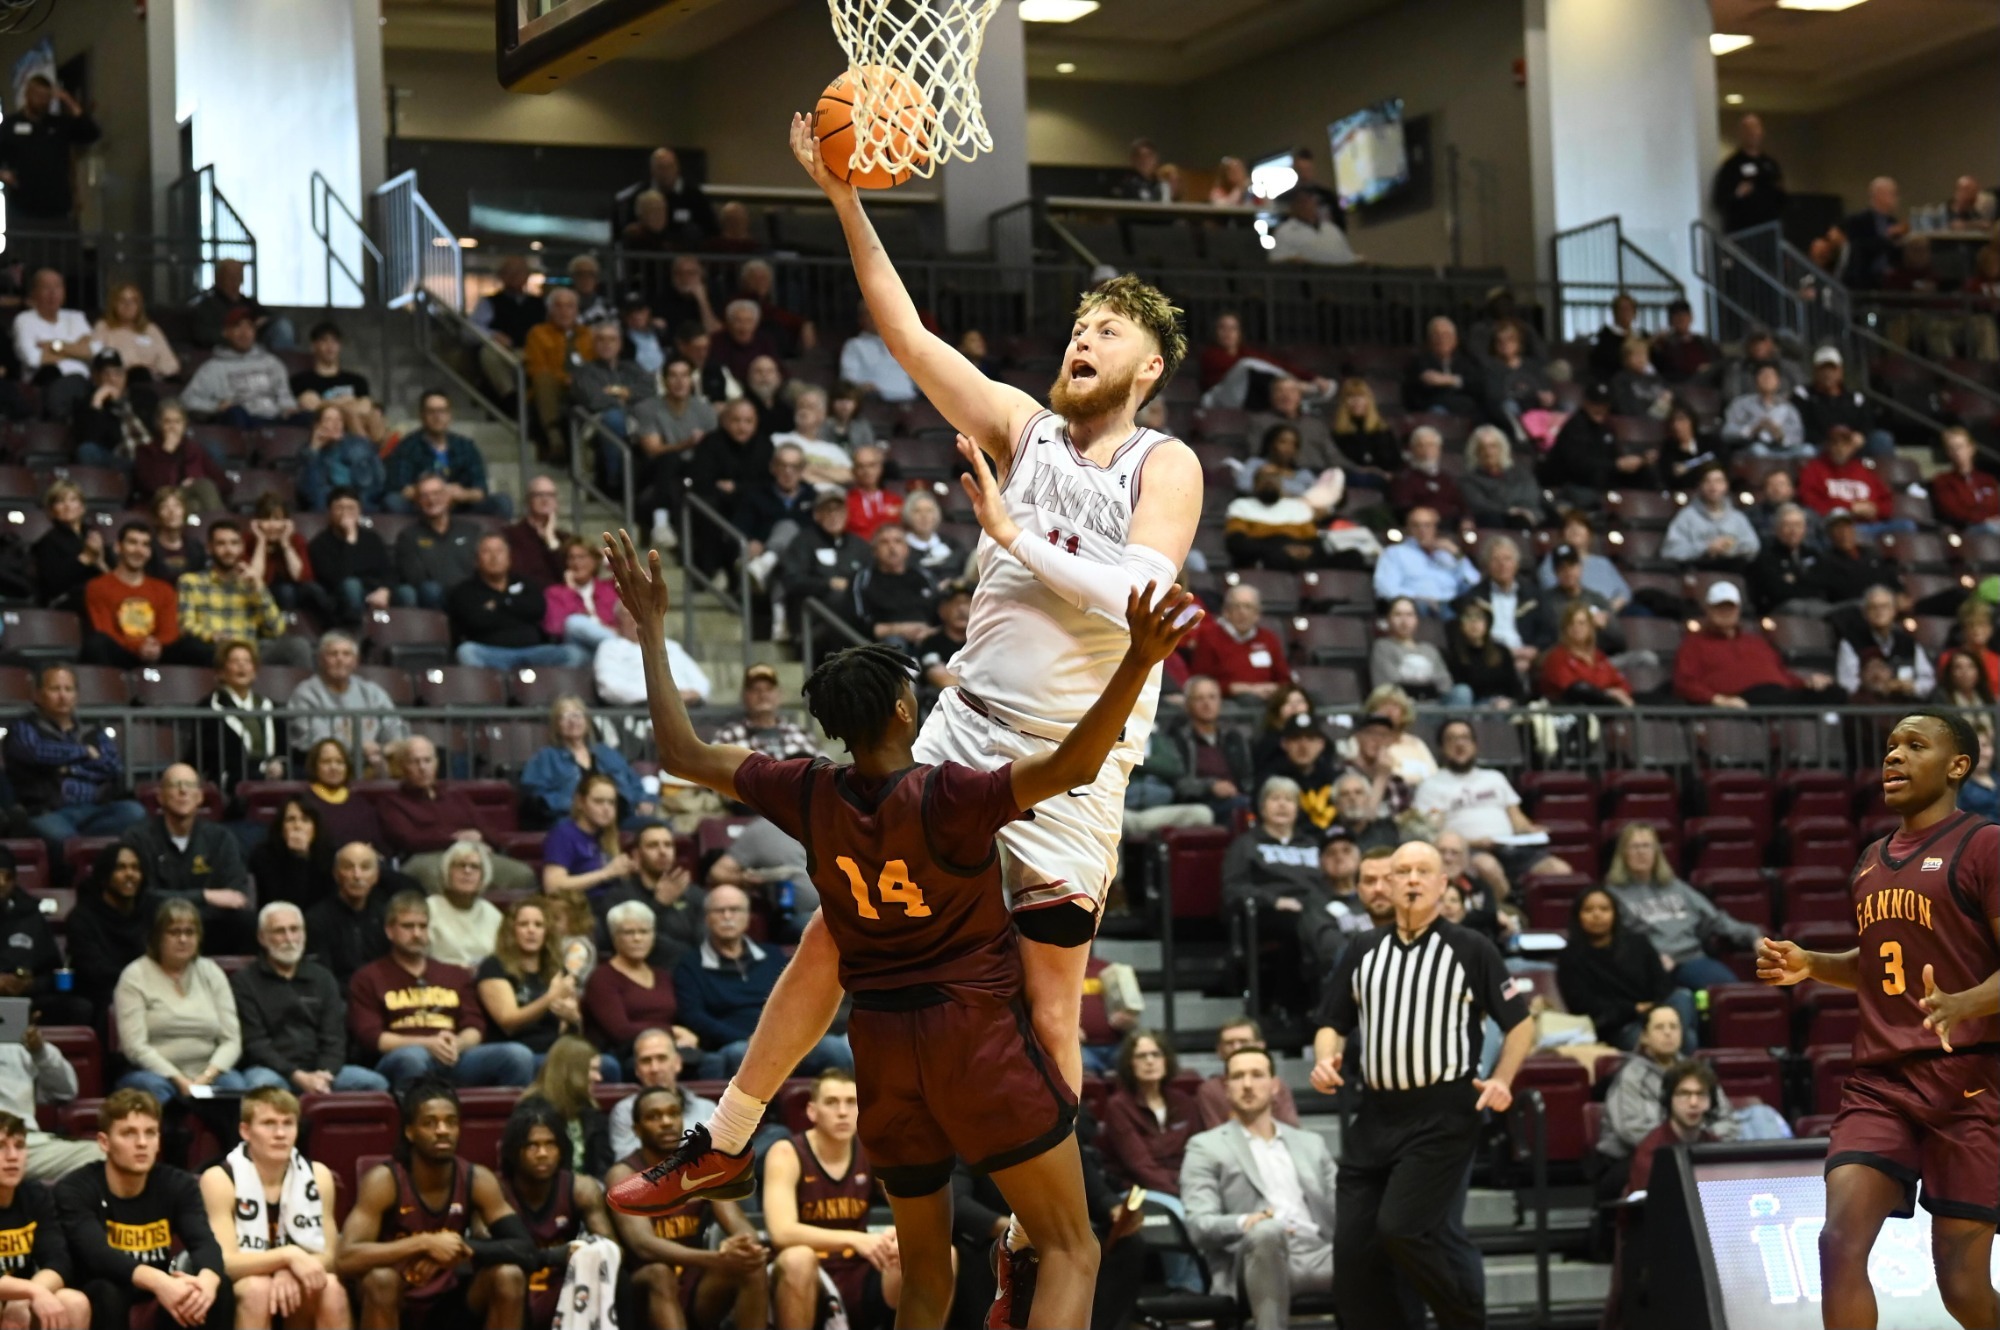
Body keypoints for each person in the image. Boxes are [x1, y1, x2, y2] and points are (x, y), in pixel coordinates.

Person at [595, 535, 1199, 1330]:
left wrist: (651, 627)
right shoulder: (951, 796)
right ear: (908, 711)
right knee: (1072, 1247)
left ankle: (726, 1139)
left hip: (880, 1051)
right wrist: (1137, 660)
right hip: (973, 1040)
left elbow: (679, 750)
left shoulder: (806, 791)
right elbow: (1075, 766)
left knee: (923, 1278)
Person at [1756, 708, 1998, 1330]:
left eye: (1914, 746)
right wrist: (1811, 963)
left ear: (1957, 766)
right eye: (1890, 746)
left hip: (1970, 1085)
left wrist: (1964, 1003)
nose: (1893, 756)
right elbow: (1881, 961)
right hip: (1880, 1085)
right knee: (1838, 1243)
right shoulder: (1869, 860)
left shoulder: (1986, 845)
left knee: (1964, 1290)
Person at [1308, 841, 1530, 1330]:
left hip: (1443, 1114)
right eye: (1402, 871)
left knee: (1402, 1229)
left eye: (1422, 872)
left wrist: (1502, 1080)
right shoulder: (1363, 949)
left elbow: (1520, 1023)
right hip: (1375, 1114)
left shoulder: (1472, 947)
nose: (1410, 880)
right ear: (1386, 883)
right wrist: (1326, 1060)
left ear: (1441, 884)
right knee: (1354, 1250)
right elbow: (1332, 1020)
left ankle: (1463, 1320)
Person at [338, 1081, 534, 1330]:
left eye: (451, 1122)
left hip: (452, 1303)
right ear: (410, 1131)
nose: (443, 1130)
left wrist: (460, 1248)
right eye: (430, 1123)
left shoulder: (477, 1179)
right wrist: (424, 1244)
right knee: (381, 1280)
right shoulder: (385, 1180)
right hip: (397, 1301)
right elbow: (346, 1258)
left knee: (509, 1275)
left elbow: (526, 1249)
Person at [1180, 1046, 1337, 1330]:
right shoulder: (1205, 1146)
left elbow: (1343, 1209)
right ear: (1227, 1088)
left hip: (1322, 1254)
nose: (1248, 1084)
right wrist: (1246, 1222)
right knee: (1268, 1231)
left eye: (1257, 1075)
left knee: (1382, 1232)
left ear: (1275, 1086)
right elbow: (1198, 1225)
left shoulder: (1310, 1143)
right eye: (1238, 1077)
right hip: (1254, 1257)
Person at [56, 1091, 231, 1330]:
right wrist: (159, 1282)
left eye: (150, 1133)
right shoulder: (76, 1188)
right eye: (129, 1133)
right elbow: (97, 1254)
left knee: (214, 1288)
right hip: (103, 1286)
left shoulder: (178, 1183)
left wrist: (208, 1282)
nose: (142, 1143)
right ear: (104, 1142)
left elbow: (204, 1243)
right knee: (106, 1291)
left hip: (158, 1290)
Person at [605, 1087, 769, 1330]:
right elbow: (644, 1246)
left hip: (696, 1279)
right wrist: (717, 1259)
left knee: (751, 1266)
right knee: (660, 1273)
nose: (666, 1122)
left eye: (673, 1113)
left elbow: (739, 1224)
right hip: (642, 1286)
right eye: (654, 1116)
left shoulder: (701, 1166)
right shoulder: (624, 1173)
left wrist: (744, 1247)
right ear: (637, 1130)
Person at [348, 892, 536, 1089]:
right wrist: (427, 1043)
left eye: (422, 926)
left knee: (518, 1055)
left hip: (454, 1056)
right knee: (413, 1057)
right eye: (408, 926)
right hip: (400, 1057)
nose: (417, 934)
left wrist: (458, 1043)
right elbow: (372, 1038)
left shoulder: (455, 974)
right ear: (389, 931)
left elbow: (475, 1026)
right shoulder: (368, 977)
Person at [198, 1088, 348, 1329]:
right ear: (245, 1131)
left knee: (330, 1288)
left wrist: (289, 1269)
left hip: (296, 1280)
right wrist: (288, 1257)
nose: (280, 1134)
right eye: (269, 1124)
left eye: (288, 1124)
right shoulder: (219, 1179)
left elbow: (330, 1258)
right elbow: (224, 1263)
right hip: (240, 1286)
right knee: (259, 1289)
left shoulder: (319, 1176)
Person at [764, 1069, 902, 1330]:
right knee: (798, 1258)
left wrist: (900, 1234)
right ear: (812, 1111)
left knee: (938, 1255)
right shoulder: (786, 1152)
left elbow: (907, 1207)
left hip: (859, 1269)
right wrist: (854, 1238)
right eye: (831, 1102)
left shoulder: (873, 1150)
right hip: (804, 1274)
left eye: (851, 1103)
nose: (842, 1112)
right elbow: (781, 1233)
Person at [235, 899, 388, 1093]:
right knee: (263, 1087)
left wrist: (323, 1074)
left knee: (375, 1084)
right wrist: (297, 1075)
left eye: (295, 929)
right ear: (262, 938)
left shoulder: (322, 977)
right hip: (271, 1070)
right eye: (279, 931)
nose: (289, 938)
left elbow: (334, 1038)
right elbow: (255, 1044)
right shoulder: (245, 981)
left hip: (321, 1070)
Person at [112, 897, 251, 1105]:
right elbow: (135, 1047)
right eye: (174, 932)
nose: (183, 939)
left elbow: (231, 1040)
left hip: (208, 1073)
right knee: (155, 1089)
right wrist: (178, 1079)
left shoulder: (211, 972)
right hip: (154, 1074)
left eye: (190, 932)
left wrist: (207, 1076)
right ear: (157, 937)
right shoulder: (135, 976)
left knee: (238, 1087)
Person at [496, 1099, 617, 1328]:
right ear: (513, 1150)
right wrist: (554, 1255)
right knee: (504, 1276)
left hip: (564, 1285)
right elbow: (484, 1250)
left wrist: (587, 1252)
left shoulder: (581, 1188)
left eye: (550, 1144)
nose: (543, 1153)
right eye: (532, 1146)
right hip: (514, 1287)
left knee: (618, 1277)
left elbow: (610, 1248)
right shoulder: (494, 1189)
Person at [1605, 822, 1760, 994]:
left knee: (1732, 994)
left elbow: (1715, 920)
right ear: (1623, 853)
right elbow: (1614, 942)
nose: (1641, 852)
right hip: (1649, 968)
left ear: (1656, 852)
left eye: (1647, 846)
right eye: (1634, 847)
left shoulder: (1676, 887)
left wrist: (1753, 936)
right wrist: (1646, 959)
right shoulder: (1613, 895)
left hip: (1691, 959)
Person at [1414, 718, 1571, 885]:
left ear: (1475, 745)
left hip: (1511, 849)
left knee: (1560, 869)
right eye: (1452, 739)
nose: (1460, 744)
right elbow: (1433, 833)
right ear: (1441, 747)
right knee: (1487, 867)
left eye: (1465, 738)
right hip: (1469, 852)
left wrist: (1530, 830)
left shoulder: (1495, 778)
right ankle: (1509, 908)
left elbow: (1517, 819)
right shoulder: (1431, 785)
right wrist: (1475, 842)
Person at [380, 735, 538, 895]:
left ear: (436, 763)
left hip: (471, 852)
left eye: (427, 761)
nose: (422, 767)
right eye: (415, 762)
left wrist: (488, 842)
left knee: (522, 874)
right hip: (426, 857)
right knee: (434, 875)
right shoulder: (392, 802)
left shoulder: (454, 795)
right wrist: (454, 839)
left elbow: (484, 827)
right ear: (402, 766)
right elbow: (409, 839)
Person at [118, 763, 252, 934]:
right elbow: (142, 899)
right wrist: (205, 896)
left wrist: (177, 903)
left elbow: (236, 897)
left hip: (209, 928)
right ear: (160, 797)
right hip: (155, 930)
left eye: (189, 785)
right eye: (175, 785)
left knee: (248, 923)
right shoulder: (137, 838)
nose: (183, 791)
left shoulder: (221, 838)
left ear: (200, 797)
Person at [1557, 888, 1695, 1053]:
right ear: (1578, 916)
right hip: (1617, 1025)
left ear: (1615, 913)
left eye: (1604, 909)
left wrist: (1654, 1009)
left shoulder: (1638, 943)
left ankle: (1669, 1044)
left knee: (1683, 997)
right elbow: (1583, 1004)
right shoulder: (1570, 956)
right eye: (1588, 910)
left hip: (1655, 1014)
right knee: (1686, 1039)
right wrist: (1633, 1009)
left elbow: (1661, 981)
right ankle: (1673, 1056)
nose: (1597, 915)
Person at [1672, 581, 1846, 707]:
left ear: (1738, 610)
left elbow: (1782, 674)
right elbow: (1684, 683)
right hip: (1744, 699)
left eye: (1730, 607)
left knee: (1835, 692)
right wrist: (1717, 699)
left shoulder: (1757, 642)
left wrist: (1807, 682)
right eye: (1719, 607)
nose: (1725, 612)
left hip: (1780, 694)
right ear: (1708, 610)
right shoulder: (1694, 644)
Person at [176, 520, 313, 668]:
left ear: (241, 548)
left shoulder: (250, 583)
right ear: (209, 548)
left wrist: (258, 588)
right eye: (221, 544)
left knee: (298, 646)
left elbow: (276, 629)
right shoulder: (190, 582)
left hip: (251, 652)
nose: (228, 550)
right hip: (213, 649)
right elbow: (185, 625)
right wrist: (211, 635)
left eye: (234, 544)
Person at [0, 1108, 93, 1324]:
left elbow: (58, 1262)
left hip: (19, 1294)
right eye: (1, 1146)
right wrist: (28, 1291)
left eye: (19, 1146)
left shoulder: (35, 1196)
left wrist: (25, 1296)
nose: (13, 1156)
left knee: (74, 1302)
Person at [584, 900, 695, 1074]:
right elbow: (620, 1030)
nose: (637, 938)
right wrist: (671, 1031)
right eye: (629, 932)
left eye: (644, 932)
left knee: (711, 1061)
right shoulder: (602, 978)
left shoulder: (662, 976)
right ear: (614, 937)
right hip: (625, 1052)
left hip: (668, 1048)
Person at [447, 533, 587, 671]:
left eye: (499, 551)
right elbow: (476, 621)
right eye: (487, 552)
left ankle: (556, 693)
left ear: (509, 558)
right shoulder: (464, 591)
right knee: (466, 652)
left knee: (575, 654)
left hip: (534, 652)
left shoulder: (525, 583)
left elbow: (538, 609)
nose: (494, 557)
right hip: (491, 653)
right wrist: (516, 607)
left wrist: (499, 604)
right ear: (476, 560)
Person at [83, 521, 212, 667]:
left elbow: (170, 633)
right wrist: (139, 646)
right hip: (121, 654)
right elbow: (104, 630)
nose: (139, 550)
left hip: (158, 653)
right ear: (118, 547)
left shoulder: (164, 589)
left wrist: (155, 645)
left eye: (145, 545)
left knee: (195, 647)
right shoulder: (98, 586)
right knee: (97, 644)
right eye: (133, 543)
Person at [476, 896, 584, 1063]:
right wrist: (550, 997)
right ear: (511, 931)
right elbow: (508, 1023)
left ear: (547, 932)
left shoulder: (557, 970)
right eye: (523, 924)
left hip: (552, 1052)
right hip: (513, 1051)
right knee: (521, 1057)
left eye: (538, 925)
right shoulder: (494, 966)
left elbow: (565, 1032)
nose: (531, 930)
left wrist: (573, 1019)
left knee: (607, 1065)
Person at [521, 693, 654, 828]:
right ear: (556, 724)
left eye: (577, 715)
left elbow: (634, 783)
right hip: (572, 819)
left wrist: (644, 800)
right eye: (565, 717)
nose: (573, 721)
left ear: (586, 721)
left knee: (656, 827)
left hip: (617, 818)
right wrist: (579, 805)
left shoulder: (607, 753)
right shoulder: (546, 757)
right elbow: (536, 797)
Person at [288, 631, 409, 776]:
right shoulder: (306, 694)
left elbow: (395, 730)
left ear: (355, 661)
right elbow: (317, 743)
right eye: (333, 654)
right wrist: (359, 750)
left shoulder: (371, 692)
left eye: (346, 654)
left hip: (373, 764)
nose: (340, 659)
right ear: (320, 660)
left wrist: (381, 750)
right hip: (327, 769)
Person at [1099, 1029, 1201, 1201]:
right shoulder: (1118, 1106)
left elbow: (1199, 1152)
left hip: (1189, 1186)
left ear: (1166, 1060)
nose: (1150, 1061)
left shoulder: (1183, 1102)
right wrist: (1182, 1194)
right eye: (1141, 1056)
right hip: (1142, 1191)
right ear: (1130, 1064)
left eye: (1156, 1054)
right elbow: (1141, 1167)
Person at [593, 826, 708, 971]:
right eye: (653, 845)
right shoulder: (619, 896)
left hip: (690, 974)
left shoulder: (694, 894)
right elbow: (615, 943)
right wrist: (659, 904)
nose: (662, 851)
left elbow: (704, 945)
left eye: (668, 845)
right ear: (637, 855)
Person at [63, 846, 159, 1018]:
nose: (130, 874)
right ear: (104, 876)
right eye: (121, 868)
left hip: (151, 988)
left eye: (136, 868)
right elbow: (93, 972)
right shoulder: (82, 918)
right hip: (103, 995)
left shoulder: (152, 911)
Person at [181, 309, 301, 428]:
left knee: (307, 417)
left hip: (274, 420)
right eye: (237, 326)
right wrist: (216, 406)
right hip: (240, 423)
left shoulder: (272, 363)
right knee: (235, 413)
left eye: (249, 327)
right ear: (226, 332)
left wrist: (289, 409)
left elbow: (285, 397)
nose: (244, 333)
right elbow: (187, 400)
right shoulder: (212, 368)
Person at [388, 393, 503, 517]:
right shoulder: (408, 446)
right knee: (392, 501)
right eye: (431, 411)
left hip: (460, 506)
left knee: (502, 502)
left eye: (442, 411)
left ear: (449, 416)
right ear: (422, 416)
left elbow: (480, 490)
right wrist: (432, 493)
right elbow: (401, 489)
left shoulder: (465, 446)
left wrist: (462, 494)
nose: (437, 417)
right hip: (424, 506)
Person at [1623, 1060, 1726, 1198]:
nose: (1693, 1103)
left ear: (1711, 1101)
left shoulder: (1715, 1146)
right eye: (1684, 1094)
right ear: (1669, 1099)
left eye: (1701, 1094)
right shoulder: (1652, 1152)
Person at [309, 489, 405, 625]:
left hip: (374, 589)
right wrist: (350, 539)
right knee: (351, 585)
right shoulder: (319, 544)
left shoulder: (372, 538)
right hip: (340, 596)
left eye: (351, 508)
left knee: (406, 593)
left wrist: (385, 590)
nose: (345, 513)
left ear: (359, 511)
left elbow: (389, 570)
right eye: (339, 508)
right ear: (330, 513)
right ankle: (355, 631)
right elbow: (336, 578)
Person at [305, 842, 393, 989]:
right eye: (348, 867)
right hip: (340, 1000)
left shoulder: (387, 914)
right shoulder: (317, 919)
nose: (357, 875)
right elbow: (321, 979)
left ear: (376, 875)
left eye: (365, 867)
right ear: (336, 873)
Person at [10, 269, 94, 421]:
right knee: (52, 372)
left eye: (57, 287)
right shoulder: (24, 320)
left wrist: (54, 346)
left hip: (83, 382)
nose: (52, 292)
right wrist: (74, 350)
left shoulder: (76, 317)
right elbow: (33, 358)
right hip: (46, 383)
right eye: (46, 287)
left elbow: (92, 351)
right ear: (34, 293)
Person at [594, 599, 711, 705]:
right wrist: (660, 696)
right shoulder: (610, 647)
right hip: (646, 711)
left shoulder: (671, 646)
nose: (634, 619)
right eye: (627, 614)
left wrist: (694, 694)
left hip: (689, 708)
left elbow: (701, 681)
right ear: (618, 622)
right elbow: (609, 687)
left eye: (639, 613)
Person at [1194, 1018, 1302, 1131]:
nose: (1236, 1048)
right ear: (1219, 1050)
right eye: (1229, 1043)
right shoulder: (1210, 1090)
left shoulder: (1276, 1085)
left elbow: (1291, 1131)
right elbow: (1215, 1138)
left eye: (1243, 1042)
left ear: (1260, 1046)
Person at [1188, 582, 1292, 699]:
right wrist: (1233, 688)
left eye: (1248, 607)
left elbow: (1285, 680)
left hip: (1268, 700)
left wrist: (1274, 688)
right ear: (1226, 611)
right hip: (1227, 701)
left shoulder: (1269, 638)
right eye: (1236, 606)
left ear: (1257, 613)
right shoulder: (1209, 636)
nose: (1242, 612)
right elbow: (1199, 682)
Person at [540, 773, 637, 898]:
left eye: (611, 802)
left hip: (612, 904)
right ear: (581, 802)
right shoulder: (564, 834)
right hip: (581, 909)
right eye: (598, 801)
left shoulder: (608, 835)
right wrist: (606, 873)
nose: (606, 809)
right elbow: (553, 886)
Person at [1837, 584, 1937, 699]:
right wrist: (1879, 687)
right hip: (1868, 710)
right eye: (1873, 607)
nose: (1879, 612)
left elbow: (1928, 680)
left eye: (1884, 607)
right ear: (1864, 613)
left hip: (1905, 707)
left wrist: (1912, 686)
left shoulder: (1909, 643)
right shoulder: (1851, 642)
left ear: (1894, 611)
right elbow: (1847, 684)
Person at [1373, 505, 1476, 616]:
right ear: (1408, 528)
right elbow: (1385, 588)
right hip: (1419, 607)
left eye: (1427, 526)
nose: (1422, 531)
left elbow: (1473, 580)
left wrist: (1457, 553)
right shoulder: (1394, 553)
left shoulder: (1447, 554)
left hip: (1453, 605)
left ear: (1435, 528)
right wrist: (1418, 598)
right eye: (1416, 526)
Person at [426, 842, 507, 970]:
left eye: (474, 867)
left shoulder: (492, 914)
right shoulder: (429, 908)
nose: (467, 871)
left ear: (483, 876)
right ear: (447, 871)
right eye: (460, 865)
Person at [1662, 464, 1761, 568]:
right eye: (1707, 481)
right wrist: (1706, 548)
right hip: (1698, 571)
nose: (1713, 487)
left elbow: (1753, 547)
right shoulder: (1686, 516)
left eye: (1718, 481)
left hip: (1732, 571)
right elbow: (1669, 551)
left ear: (1726, 485)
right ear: (1700, 485)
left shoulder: (1737, 518)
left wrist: (1730, 548)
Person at [1373, 596, 1467, 704]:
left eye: (1409, 615)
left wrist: (1417, 687)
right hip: (1404, 705)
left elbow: (1445, 683)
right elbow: (1388, 685)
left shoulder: (1429, 650)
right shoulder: (1382, 647)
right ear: (1388, 619)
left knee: (1462, 691)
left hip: (1436, 705)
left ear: (1416, 619)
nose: (1404, 621)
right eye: (1398, 615)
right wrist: (1428, 686)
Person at [296, 402, 387, 512]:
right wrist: (315, 449)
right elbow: (309, 492)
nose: (336, 424)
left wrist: (356, 502)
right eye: (329, 420)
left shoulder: (360, 446)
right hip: (328, 505)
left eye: (339, 420)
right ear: (317, 425)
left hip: (362, 502)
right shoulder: (308, 452)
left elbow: (378, 481)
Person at [1540, 603, 1636, 706]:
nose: (1576, 628)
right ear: (1565, 629)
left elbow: (1622, 686)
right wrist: (1608, 693)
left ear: (1590, 627)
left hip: (1606, 712)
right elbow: (1575, 690)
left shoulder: (1599, 657)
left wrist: (1618, 694)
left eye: (1581, 623)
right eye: (1571, 623)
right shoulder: (1557, 657)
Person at [29, 479, 102, 609]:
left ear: (82, 506)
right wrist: (84, 559)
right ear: (52, 510)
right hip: (67, 604)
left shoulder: (92, 535)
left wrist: (101, 562)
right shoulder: (48, 542)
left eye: (73, 500)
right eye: (60, 501)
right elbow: (53, 585)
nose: (67, 506)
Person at [1711, 113, 1785, 235]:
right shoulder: (1731, 166)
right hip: (1743, 232)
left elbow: (1781, 196)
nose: (1753, 133)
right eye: (1748, 130)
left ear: (1762, 132)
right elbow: (1719, 200)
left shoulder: (1770, 164)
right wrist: (1738, 194)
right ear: (1741, 133)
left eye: (1756, 128)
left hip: (1769, 231)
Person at [1458, 426, 1545, 529]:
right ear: (1476, 452)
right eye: (1482, 448)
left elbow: (1532, 499)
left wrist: (1529, 513)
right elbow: (1480, 505)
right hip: (1497, 521)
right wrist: (1509, 510)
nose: (1488, 452)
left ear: (1503, 448)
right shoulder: (1469, 480)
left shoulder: (1522, 476)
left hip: (1528, 517)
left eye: (1493, 446)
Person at [1404, 317, 1485, 418]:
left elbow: (1477, 385)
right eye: (1436, 335)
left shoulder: (1468, 361)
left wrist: (1450, 380)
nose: (1441, 339)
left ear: (1455, 340)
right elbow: (1415, 396)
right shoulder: (1420, 363)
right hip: (1435, 411)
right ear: (1429, 340)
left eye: (1446, 335)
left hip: (1467, 410)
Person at [1840, 176, 1908, 291]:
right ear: (1879, 195)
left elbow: (1895, 254)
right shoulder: (1858, 221)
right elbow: (1861, 249)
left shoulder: (1893, 222)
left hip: (1888, 283)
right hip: (1863, 281)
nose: (1897, 198)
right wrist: (1887, 237)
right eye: (1893, 194)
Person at [1931, 426, 2000, 533]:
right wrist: (1984, 518)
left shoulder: (1988, 479)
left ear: (1971, 448)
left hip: (1993, 524)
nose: (1957, 452)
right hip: (1967, 530)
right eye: (1951, 448)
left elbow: (1995, 505)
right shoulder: (1942, 481)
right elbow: (1955, 511)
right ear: (1948, 453)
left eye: (1960, 447)